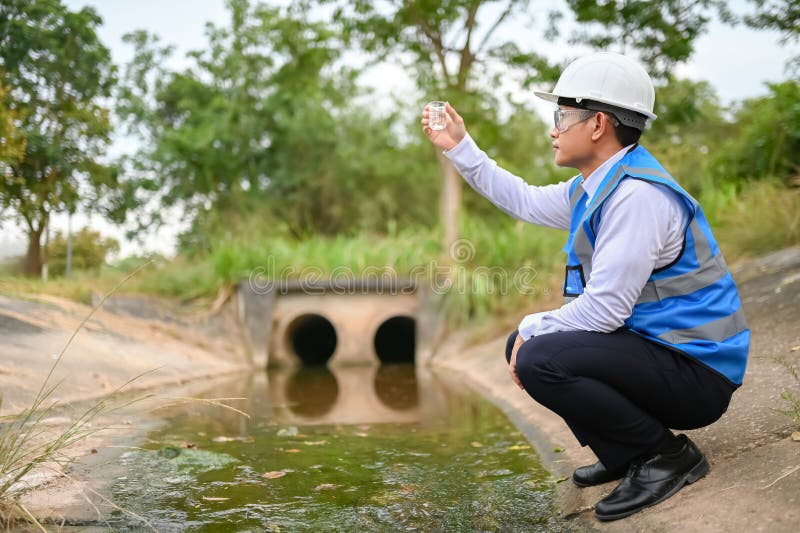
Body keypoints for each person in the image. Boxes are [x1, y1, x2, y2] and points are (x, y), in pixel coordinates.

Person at [420, 52, 749, 522]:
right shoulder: (595, 187)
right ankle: (624, 451)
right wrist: (459, 146)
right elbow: (523, 200)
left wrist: (532, 327)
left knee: (538, 355)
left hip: (697, 371)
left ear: (597, 124)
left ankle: (664, 456)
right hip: (663, 351)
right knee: (527, 344)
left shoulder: (637, 197)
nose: (553, 130)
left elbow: (604, 312)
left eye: (561, 116)